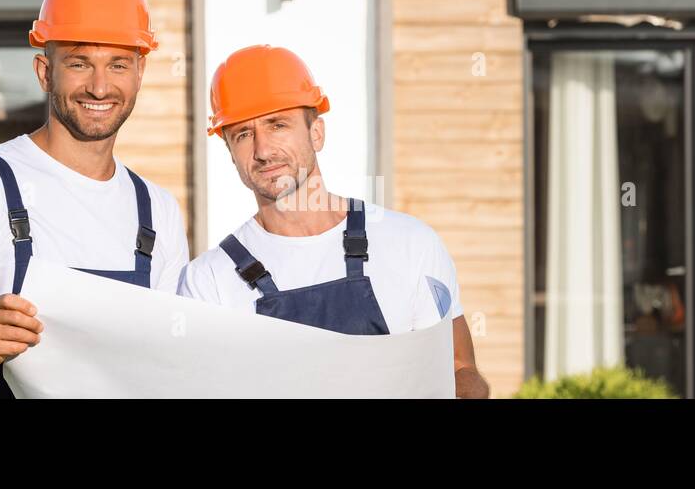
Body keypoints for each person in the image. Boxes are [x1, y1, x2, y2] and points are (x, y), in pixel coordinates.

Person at [0, 0, 189, 399]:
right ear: (44, 71)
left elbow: (165, 360)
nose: (100, 86)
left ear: (140, 72)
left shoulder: (157, 210)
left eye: (118, 65)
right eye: (79, 63)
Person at [178, 45, 490, 398]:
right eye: (243, 135)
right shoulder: (209, 283)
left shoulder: (409, 244)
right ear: (230, 152)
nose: (263, 150)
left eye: (277, 124)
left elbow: (457, 369)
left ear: (317, 133)